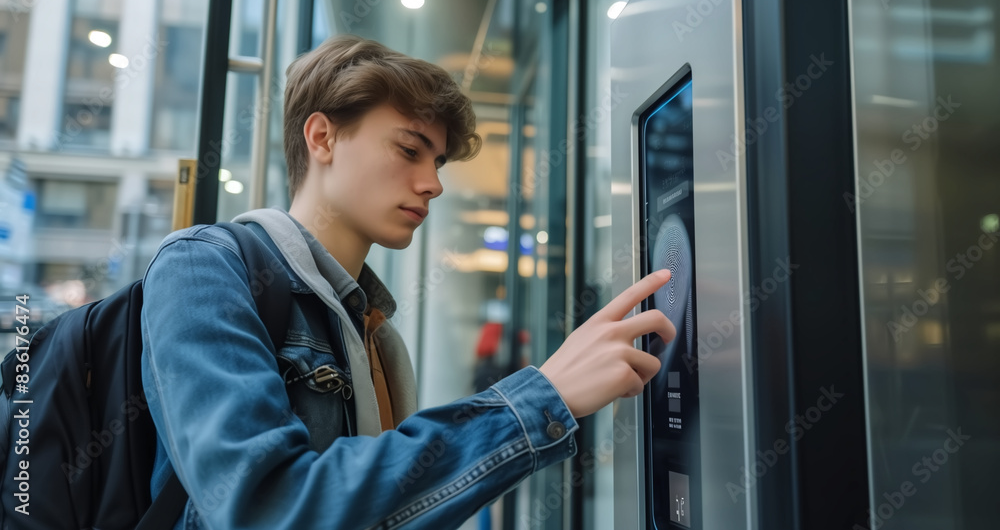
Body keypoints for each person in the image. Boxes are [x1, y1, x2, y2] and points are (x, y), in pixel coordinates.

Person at [140, 34, 675, 529]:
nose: (433, 184)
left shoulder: (375, 332)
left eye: (437, 161)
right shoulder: (203, 266)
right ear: (322, 137)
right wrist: (541, 398)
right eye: (409, 150)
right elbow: (265, 507)